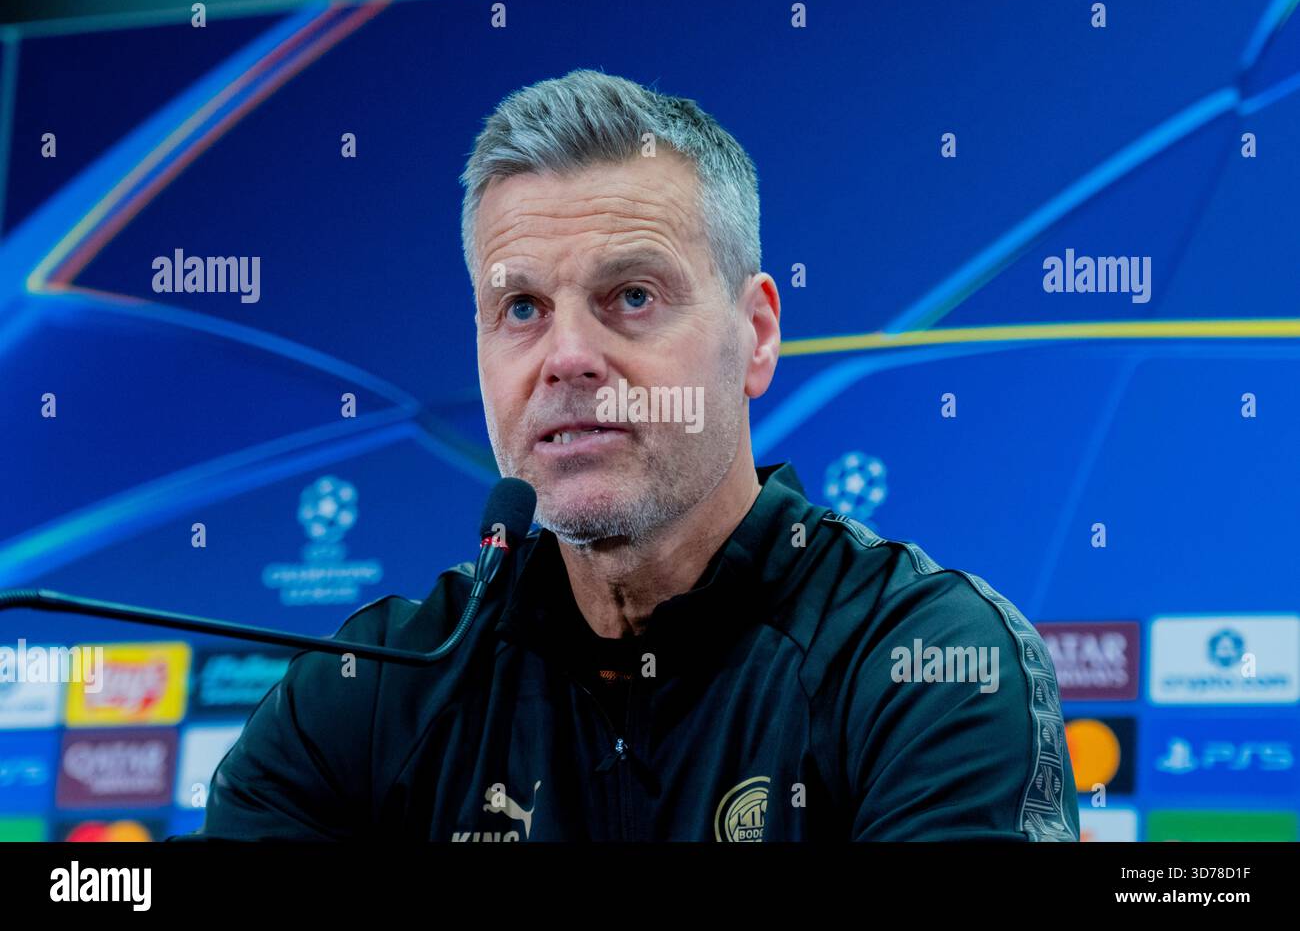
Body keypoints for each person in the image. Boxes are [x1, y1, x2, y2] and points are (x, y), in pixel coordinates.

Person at [189, 69, 1078, 841]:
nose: (567, 356)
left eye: (634, 295)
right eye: (524, 309)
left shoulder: (924, 664)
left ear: (756, 335)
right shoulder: (374, 692)